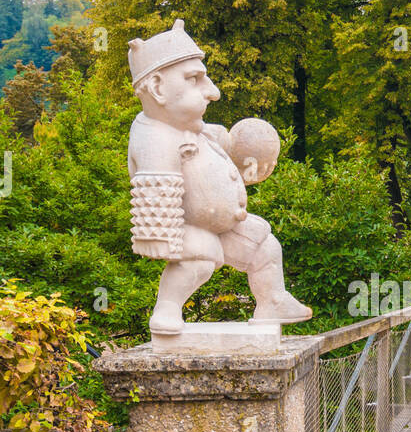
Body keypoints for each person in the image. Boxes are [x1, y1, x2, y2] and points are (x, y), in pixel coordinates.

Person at [125, 20, 312, 336]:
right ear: (157, 88)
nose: (213, 92)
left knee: (263, 245)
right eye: (195, 79)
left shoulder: (196, 129)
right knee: (200, 259)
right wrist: (175, 238)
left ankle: (273, 300)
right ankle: (167, 310)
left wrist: (250, 163)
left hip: (226, 226)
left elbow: (225, 158)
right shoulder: (154, 137)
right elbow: (154, 206)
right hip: (189, 231)